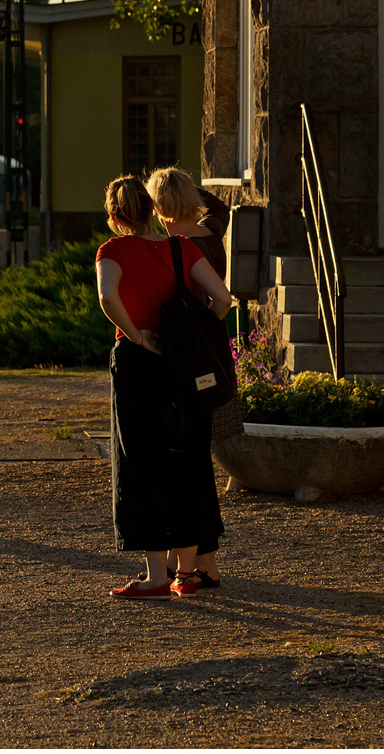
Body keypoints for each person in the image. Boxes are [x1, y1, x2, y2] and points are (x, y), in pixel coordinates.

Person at [95, 174, 232, 600]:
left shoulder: (112, 250)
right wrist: (193, 334)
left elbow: (107, 298)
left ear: (116, 217)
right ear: (153, 210)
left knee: (141, 461)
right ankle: (188, 573)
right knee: (188, 458)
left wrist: (136, 335)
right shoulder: (182, 247)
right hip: (183, 364)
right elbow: (223, 299)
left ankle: (155, 574)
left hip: (138, 362)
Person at [145, 166, 239, 591]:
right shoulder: (211, 234)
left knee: (183, 462)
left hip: (181, 359)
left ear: (158, 207)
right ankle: (207, 564)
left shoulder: (173, 246)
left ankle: (190, 565)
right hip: (211, 357)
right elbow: (220, 206)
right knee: (199, 458)